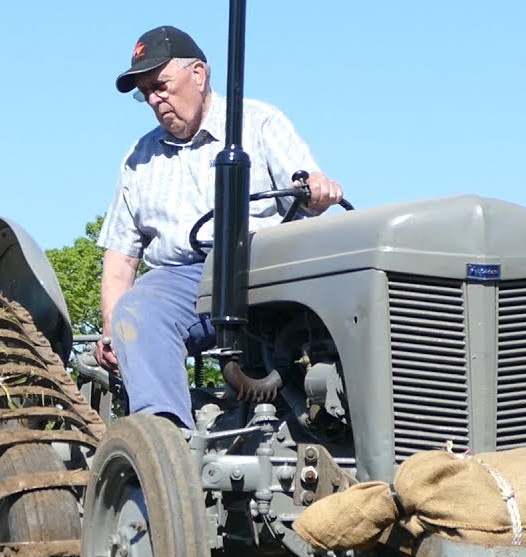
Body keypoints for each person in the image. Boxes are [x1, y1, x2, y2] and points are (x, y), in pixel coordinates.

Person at [95, 25, 344, 430]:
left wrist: (317, 189)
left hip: (263, 266)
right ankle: (168, 444)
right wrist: (111, 333)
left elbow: (306, 184)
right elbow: (121, 258)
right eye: (146, 94)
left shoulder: (259, 123)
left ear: (198, 73)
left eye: (160, 85)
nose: (155, 100)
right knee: (138, 312)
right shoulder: (139, 159)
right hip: (183, 281)